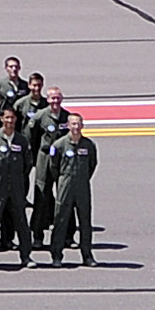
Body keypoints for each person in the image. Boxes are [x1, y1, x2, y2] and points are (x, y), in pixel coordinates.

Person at [0, 109, 33, 267]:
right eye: (6, 117)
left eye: (12, 118)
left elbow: (27, 164)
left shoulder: (22, 141)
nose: (9, 121)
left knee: (21, 222)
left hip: (16, 188)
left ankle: (26, 257)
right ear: (1, 119)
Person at [42, 113, 97, 266]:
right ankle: (57, 255)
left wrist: (82, 178)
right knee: (60, 220)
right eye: (73, 124)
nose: (76, 127)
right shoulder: (59, 145)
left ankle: (87, 255)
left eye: (78, 123)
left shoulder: (88, 145)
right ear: (68, 126)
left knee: (85, 221)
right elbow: (54, 167)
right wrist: (63, 180)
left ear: (83, 125)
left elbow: (92, 165)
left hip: (82, 187)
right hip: (65, 184)